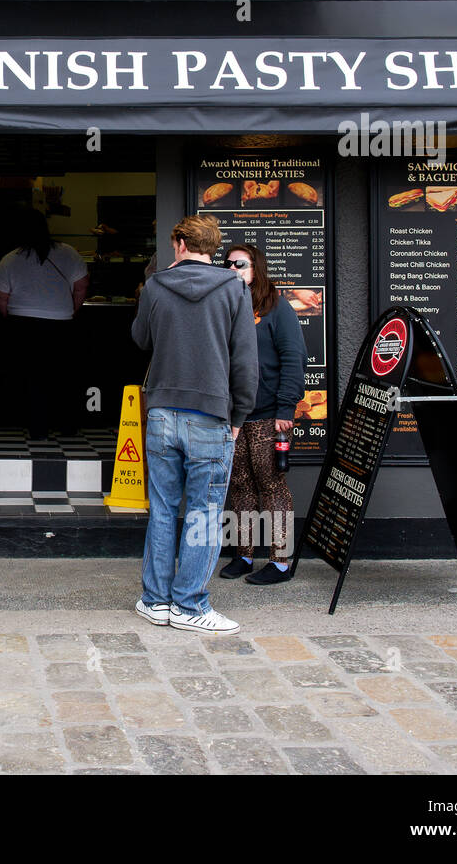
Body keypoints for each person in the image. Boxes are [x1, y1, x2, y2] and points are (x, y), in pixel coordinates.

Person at [131, 214, 258, 635]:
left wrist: (153, 289)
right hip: (211, 415)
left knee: (164, 508)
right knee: (203, 513)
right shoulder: (235, 288)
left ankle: (156, 601)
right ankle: (188, 605)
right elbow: (245, 361)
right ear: (212, 248)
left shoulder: (155, 286)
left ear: (181, 244)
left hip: (163, 411)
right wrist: (239, 416)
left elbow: (140, 339)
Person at [218, 243, 306, 585]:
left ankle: (280, 561)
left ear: (257, 268)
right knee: (238, 485)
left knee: (271, 485)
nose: (233, 269)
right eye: (227, 264)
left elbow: (293, 357)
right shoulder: (227, 305)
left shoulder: (276, 307)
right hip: (235, 415)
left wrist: (286, 407)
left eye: (240, 263)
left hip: (270, 414)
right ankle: (243, 555)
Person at [0, 208, 89, 439]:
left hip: (22, 324)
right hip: (60, 323)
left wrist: (10, 317)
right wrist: (71, 309)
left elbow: (1, 297)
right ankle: (67, 427)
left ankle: (38, 429)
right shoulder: (69, 253)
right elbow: (82, 286)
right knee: (63, 377)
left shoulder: (10, 258)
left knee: (32, 378)